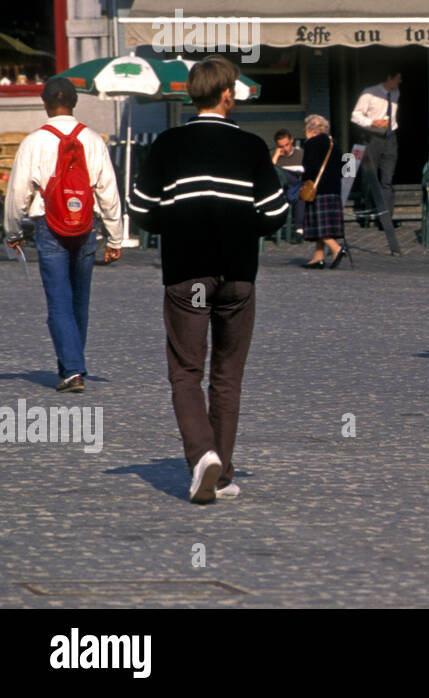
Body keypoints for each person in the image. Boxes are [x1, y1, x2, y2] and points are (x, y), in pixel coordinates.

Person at [128, 58, 288, 504]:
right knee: (227, 374)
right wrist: (239, 225)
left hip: (186, 274)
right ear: (226, 96)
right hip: (238, 274)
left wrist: (178, 221)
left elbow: (140, 209)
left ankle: (203, 456)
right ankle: (221, 472)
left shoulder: (167, 144)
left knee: (185, 371)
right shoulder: (253, 147)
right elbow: (276, 213)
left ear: (190, 94)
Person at [3, 77, 123, 393]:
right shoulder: (94, 140)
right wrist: (115, 237)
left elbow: (17, 192)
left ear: (44, 103)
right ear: (75, 102)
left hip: (49, 225)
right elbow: (108, 191)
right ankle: (72, 366)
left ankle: (72, 369)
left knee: (58, 299)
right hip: (86, 225)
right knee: (79, 300)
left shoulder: (34, 141)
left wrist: (12, 232)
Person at [350, 70, 402, 255]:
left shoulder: (396, 93)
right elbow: (355, 116)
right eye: (397, 78)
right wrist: (373, 122)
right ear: (388, 78)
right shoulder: (369, 93)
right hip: (372, 138)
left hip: (390, 138)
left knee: (387, 179)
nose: (400, 81)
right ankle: (366, 210)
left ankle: (385, 220)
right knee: (369, 178)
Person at [300, 114, 347, 269]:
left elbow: (311, 166)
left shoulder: (311, 143)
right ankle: (318, 257)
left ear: (311, 130)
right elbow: (344, 167)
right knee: (324, 224)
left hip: (318, 189)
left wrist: (304, 179)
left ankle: (336, 248)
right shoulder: (334, 143)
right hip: (334, 188)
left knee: (318, 224)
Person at [271, 128, 305, 235]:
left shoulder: (302, 154)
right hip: (284, 190)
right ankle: (299, 228)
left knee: (301, 192)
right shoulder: (276, 158)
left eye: (287, 144)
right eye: (281, 146)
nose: (285, 148)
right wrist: (276, 156)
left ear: (291, 141)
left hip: (298, 188)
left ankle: (299, 229)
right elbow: (269, 173)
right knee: (279, 171)